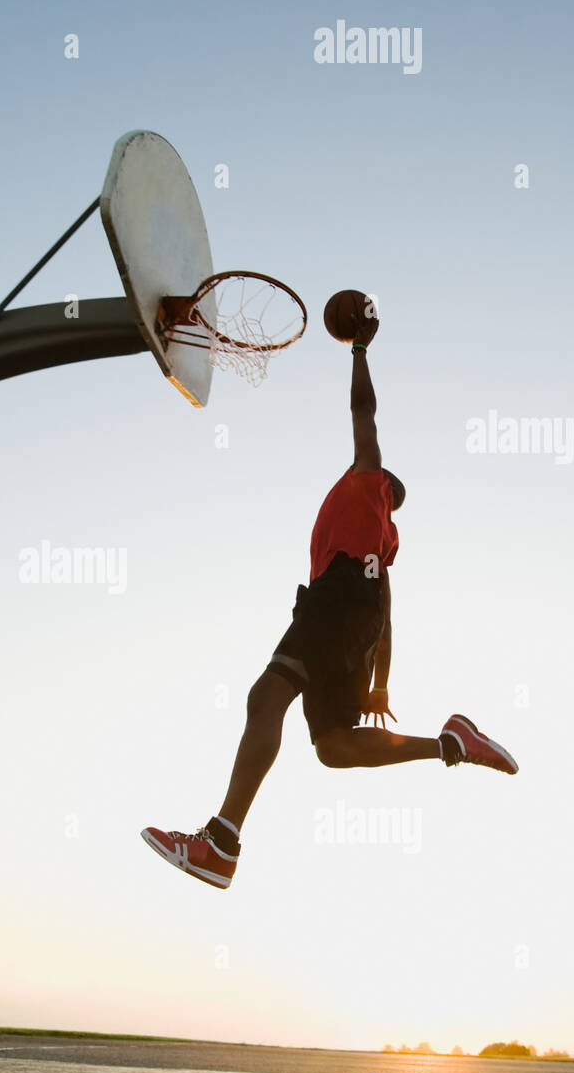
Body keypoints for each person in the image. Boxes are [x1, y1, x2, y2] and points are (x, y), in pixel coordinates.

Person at [142, 309, 518, 890]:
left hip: (335, 601)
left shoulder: (367, 483)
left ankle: (221, 843)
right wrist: (380, 682)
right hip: (351, 612)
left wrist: (359, 349)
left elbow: (362, 412)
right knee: (335, 747)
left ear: (381, 481)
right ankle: (451, 743)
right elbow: (385, 610)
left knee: (267, 696)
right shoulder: (382, 541)